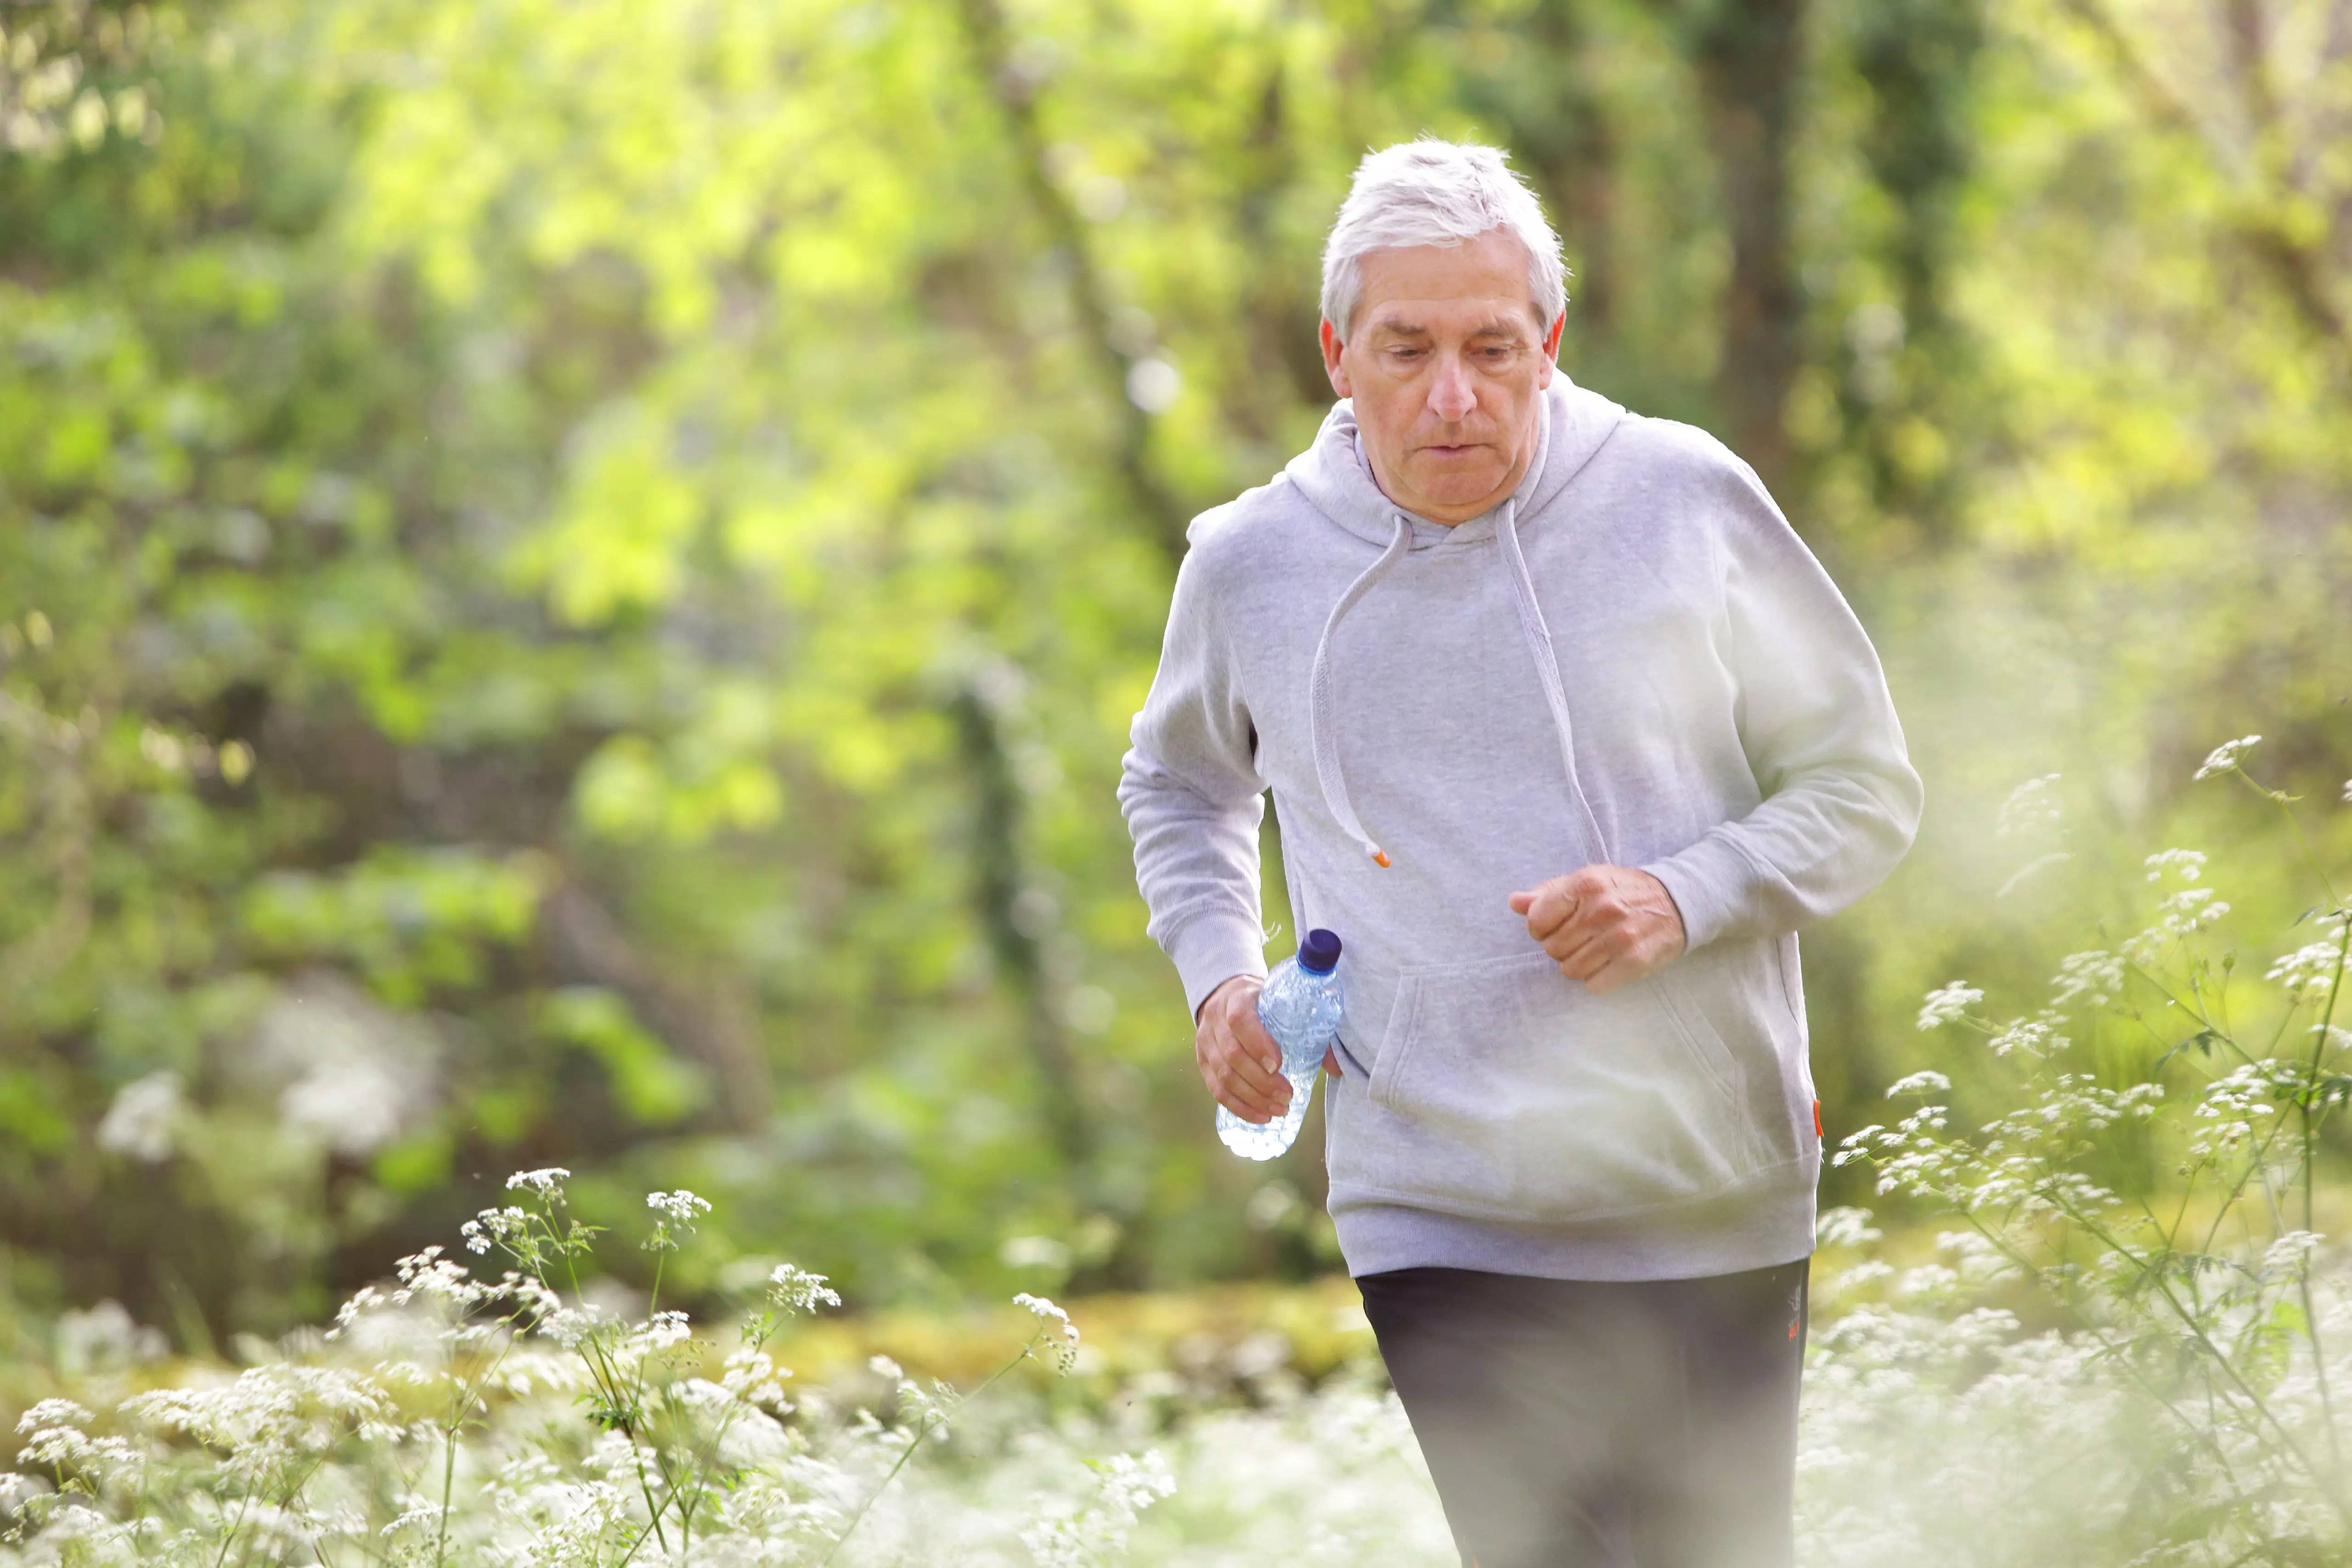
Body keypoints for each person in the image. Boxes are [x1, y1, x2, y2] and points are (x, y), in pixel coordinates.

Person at [1117, 137, 1922, 1567]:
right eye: (1406, 347)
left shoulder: (1685, 500)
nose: (1451, 394)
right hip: (1437, 1196)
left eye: (1493, 347)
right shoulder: (1250, 565)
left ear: (1550, 342)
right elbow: (1179, 787)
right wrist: (1214, 979)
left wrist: (1684, 894)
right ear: (1336, 353)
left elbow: (1866, 786)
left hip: (1708, 1182)